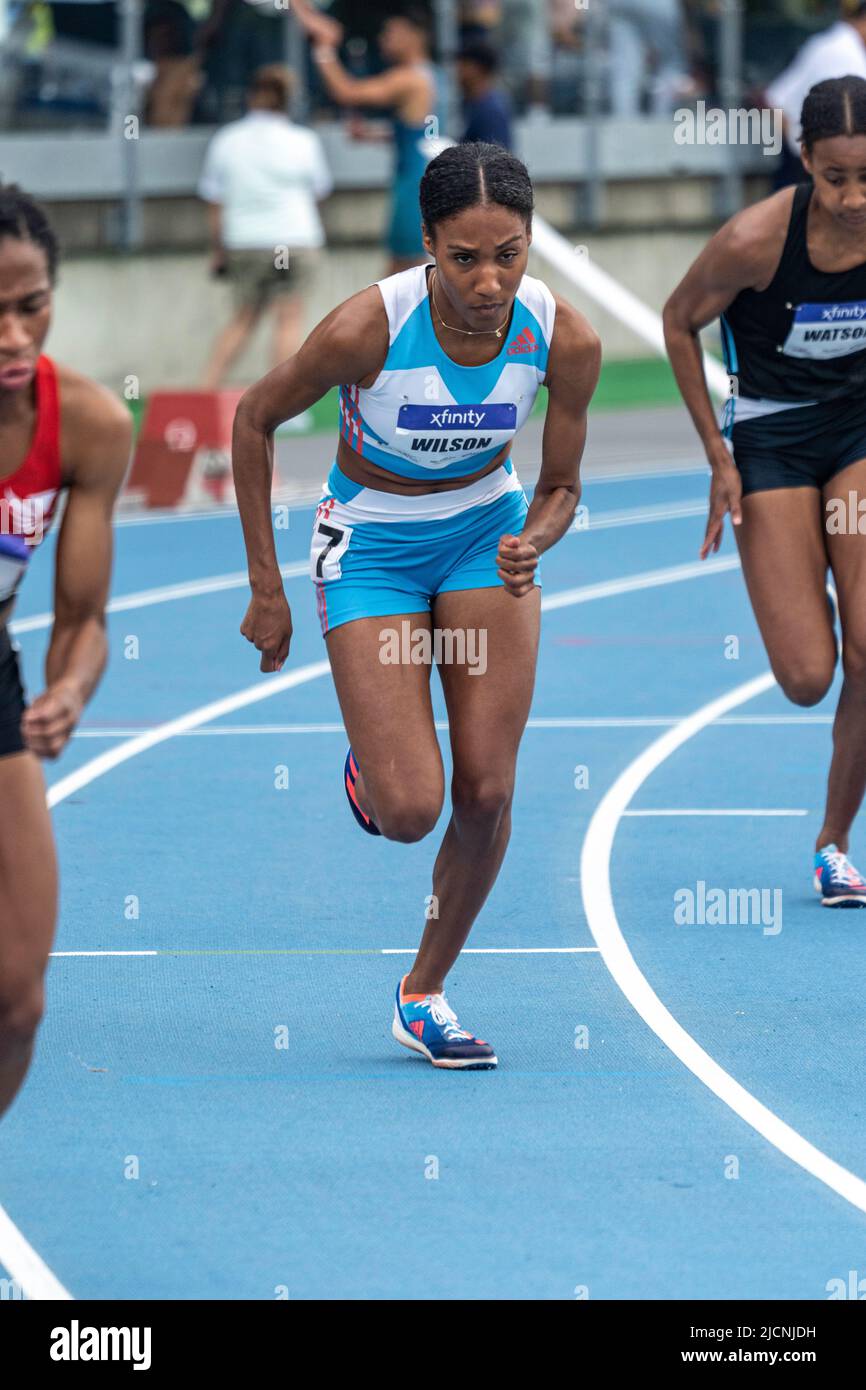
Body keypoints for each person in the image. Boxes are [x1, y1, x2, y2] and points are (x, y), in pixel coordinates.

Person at [232, 142, 600, 1068]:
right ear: (428, 244)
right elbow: (253, 419)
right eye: (465, 257)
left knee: (488, 788)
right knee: (410, 811)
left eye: (509, 253)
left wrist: (539, 537)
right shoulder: (368, 329)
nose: (489, 280)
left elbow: (560, 485)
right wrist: (267, 589)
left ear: (530, 243)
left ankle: (424, 991)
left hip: (484, 537)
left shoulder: (565, 339)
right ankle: (375, 758)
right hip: (374, 549)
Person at [663, 75, 866, 909]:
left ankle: (834, 842)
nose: (855, 198)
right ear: (805, 165)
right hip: (774, 441)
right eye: (836, 178)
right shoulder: (753, 241)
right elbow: (678, 321)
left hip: (859, 431)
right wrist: (718, 452)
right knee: (808, 676)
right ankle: (809, 569)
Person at [0, 184, 131, 1118]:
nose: (12, 335)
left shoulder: (87, 425)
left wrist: (70, 690)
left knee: (17, 999)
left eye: (29, 305)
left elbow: (83, 619)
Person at [198, 64, 332, 390]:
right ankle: (283, 403)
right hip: (298, 239)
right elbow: (320, 190)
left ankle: (204, 392)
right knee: (289, 319)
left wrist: (219, 250)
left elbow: (214, 200)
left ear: (250, 96)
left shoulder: (226, 139)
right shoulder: (304, 140)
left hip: (246, 242)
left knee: (243, 319)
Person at [293, 2, 441, 275]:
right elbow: (418, 134)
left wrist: (324, 48)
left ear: (414, 34)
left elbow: (347, 92)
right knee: (413, 277)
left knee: (402, 278)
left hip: (412, 187)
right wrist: (373, 136)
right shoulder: (431, 74)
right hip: (422, 181)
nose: (383, 39)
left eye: (391, 32)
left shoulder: (409, 78)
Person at [765, 1, 866, 188]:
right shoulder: (844, 52)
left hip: (807, 156)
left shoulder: (828, 42)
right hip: (816, 161)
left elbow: (775, 98)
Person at [456, 38, 514, 149]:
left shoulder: (491, 111)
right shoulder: (470, 103)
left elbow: (493, 161)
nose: (457, 72)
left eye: (463, 66)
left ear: (477, 69)